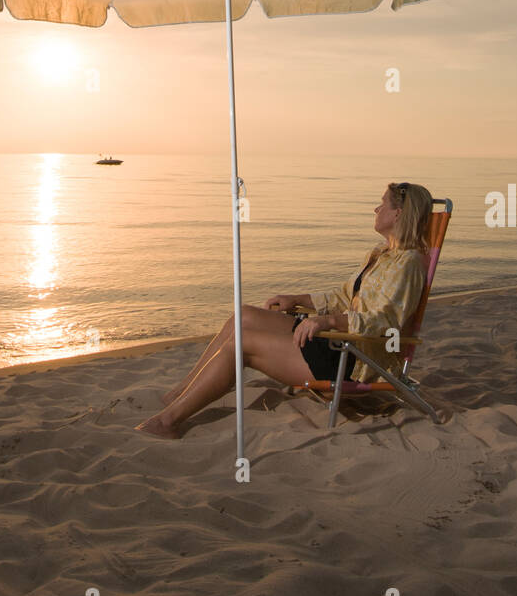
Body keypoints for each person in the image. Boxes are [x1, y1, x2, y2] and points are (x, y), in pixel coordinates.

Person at [136, 181, 432, 440]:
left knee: (241, 343)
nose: (375, 209)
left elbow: (386, 323)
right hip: (337, 341)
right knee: (244, 315)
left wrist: (327, 320)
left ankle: (167, 423)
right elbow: (344, 296)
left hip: (353, 360)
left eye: (382, 204)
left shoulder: (407, 264)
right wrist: (296, 298)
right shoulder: (381, 254)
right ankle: (178, 395)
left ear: (399, 214)